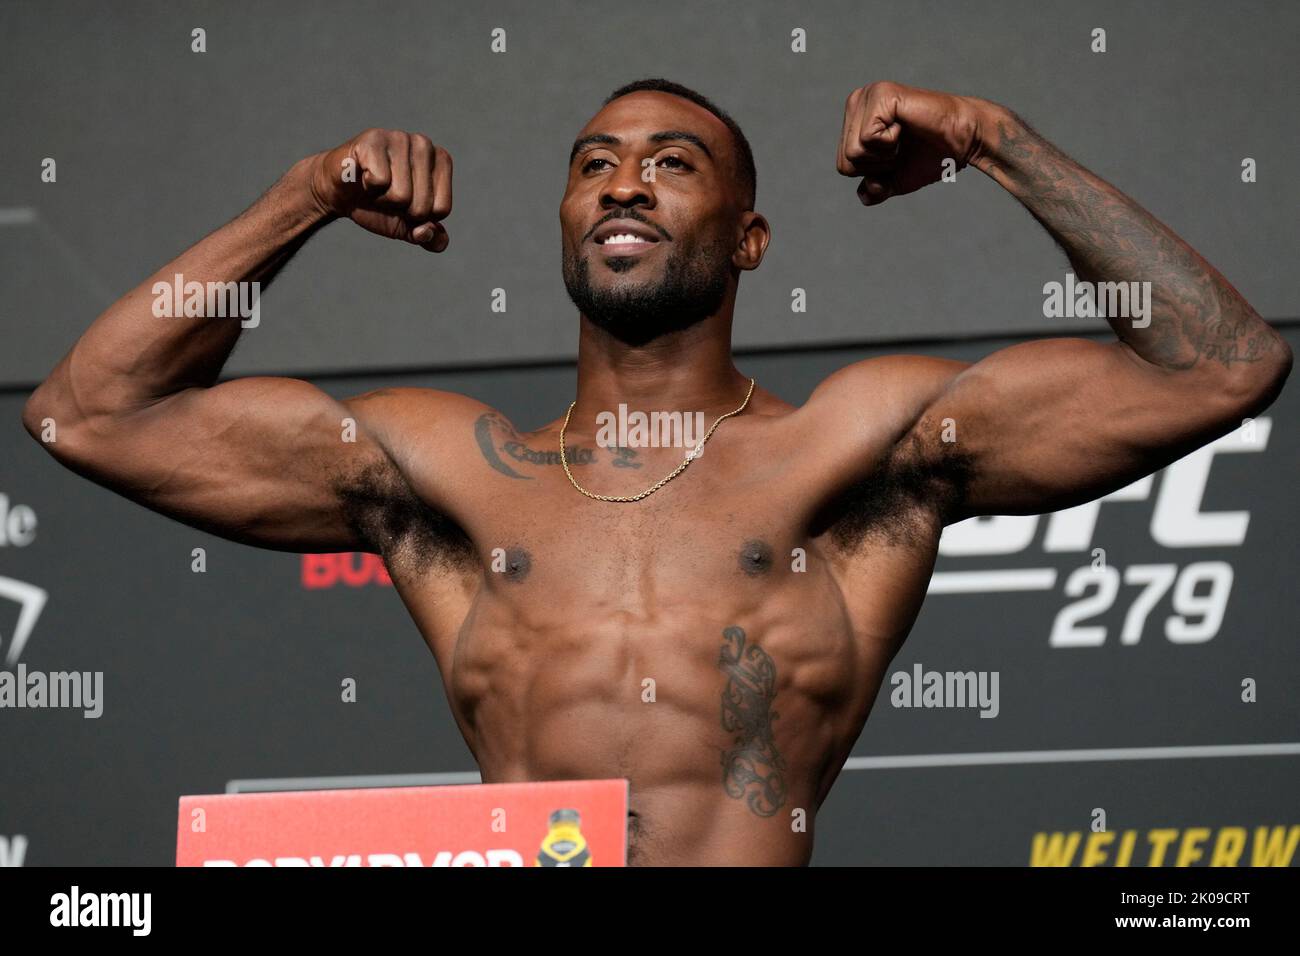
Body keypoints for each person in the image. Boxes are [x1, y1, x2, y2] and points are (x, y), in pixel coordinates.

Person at [23, 78, 1290, 865]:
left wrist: (994, 139)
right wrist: (304, 195)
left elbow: (1220, 367)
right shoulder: (448, 470)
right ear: (566, 222)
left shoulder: (856, 449)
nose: (622, 182)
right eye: (593, 165)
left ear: (750, 238)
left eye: (671, 162)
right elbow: (88, 413)